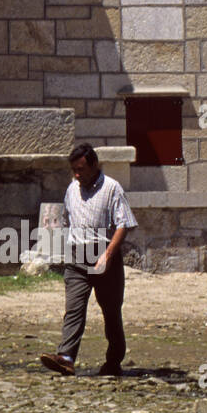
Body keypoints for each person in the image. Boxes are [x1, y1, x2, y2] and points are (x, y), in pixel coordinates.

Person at [39, 143, 138, 377]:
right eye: (74, 169)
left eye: (81, 169)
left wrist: (107, 255)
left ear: (94, 165)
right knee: (74, 309)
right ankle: (66, 357)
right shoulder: (72, 188)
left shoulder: (112, 188)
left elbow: (124, 224)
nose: (76, 174)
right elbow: (66, 219)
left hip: (105, 256)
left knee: (111, 312)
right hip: (76, 259)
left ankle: (114, 361)